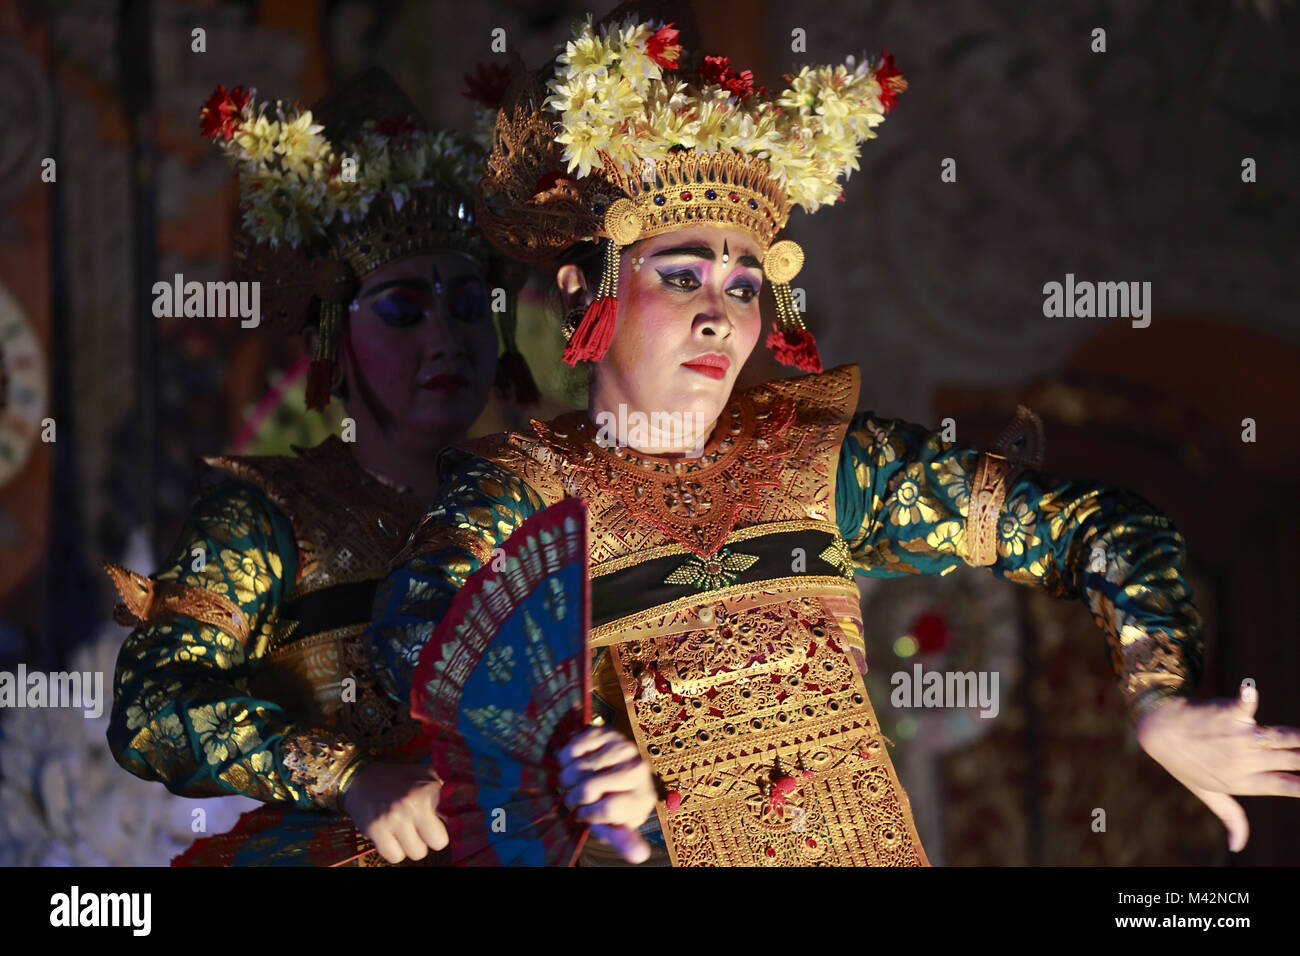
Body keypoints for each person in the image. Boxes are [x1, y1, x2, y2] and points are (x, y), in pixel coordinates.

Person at [368, 13, 1297, 866]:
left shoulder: (823, 464)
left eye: (741, 286)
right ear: (583, 290)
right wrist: (565, 739)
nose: (718, 318)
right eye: (682, 276)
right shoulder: (522, 491)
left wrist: (1158, 695)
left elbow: (1102, 525)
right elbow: (420, 637)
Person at [103, 69, 637, 867]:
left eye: (466, 306)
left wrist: (626, 780)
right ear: (333, 339)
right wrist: (348, 776)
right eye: (401, 310)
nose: (445, 340)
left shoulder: (562, 496)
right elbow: (153, 707)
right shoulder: (269, 518)